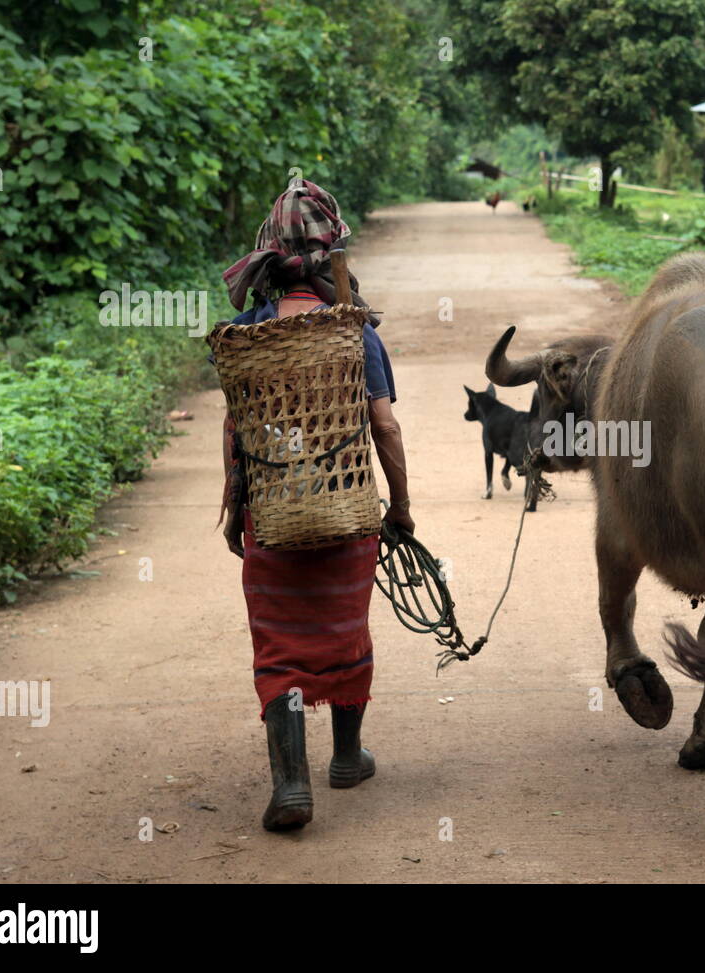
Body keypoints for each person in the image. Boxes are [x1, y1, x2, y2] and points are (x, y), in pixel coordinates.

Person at [218, 179, 414, 832]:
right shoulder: (354, 334)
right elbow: (383, 427)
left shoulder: (247, 334)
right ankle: (348, 754)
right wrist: (402, 510)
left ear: (270, 256)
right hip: (346, 517)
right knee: (343, 632)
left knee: (280, 647)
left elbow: (235, 430)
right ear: (335, 254)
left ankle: (292, 783)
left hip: (273, 519)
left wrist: (231, 507)